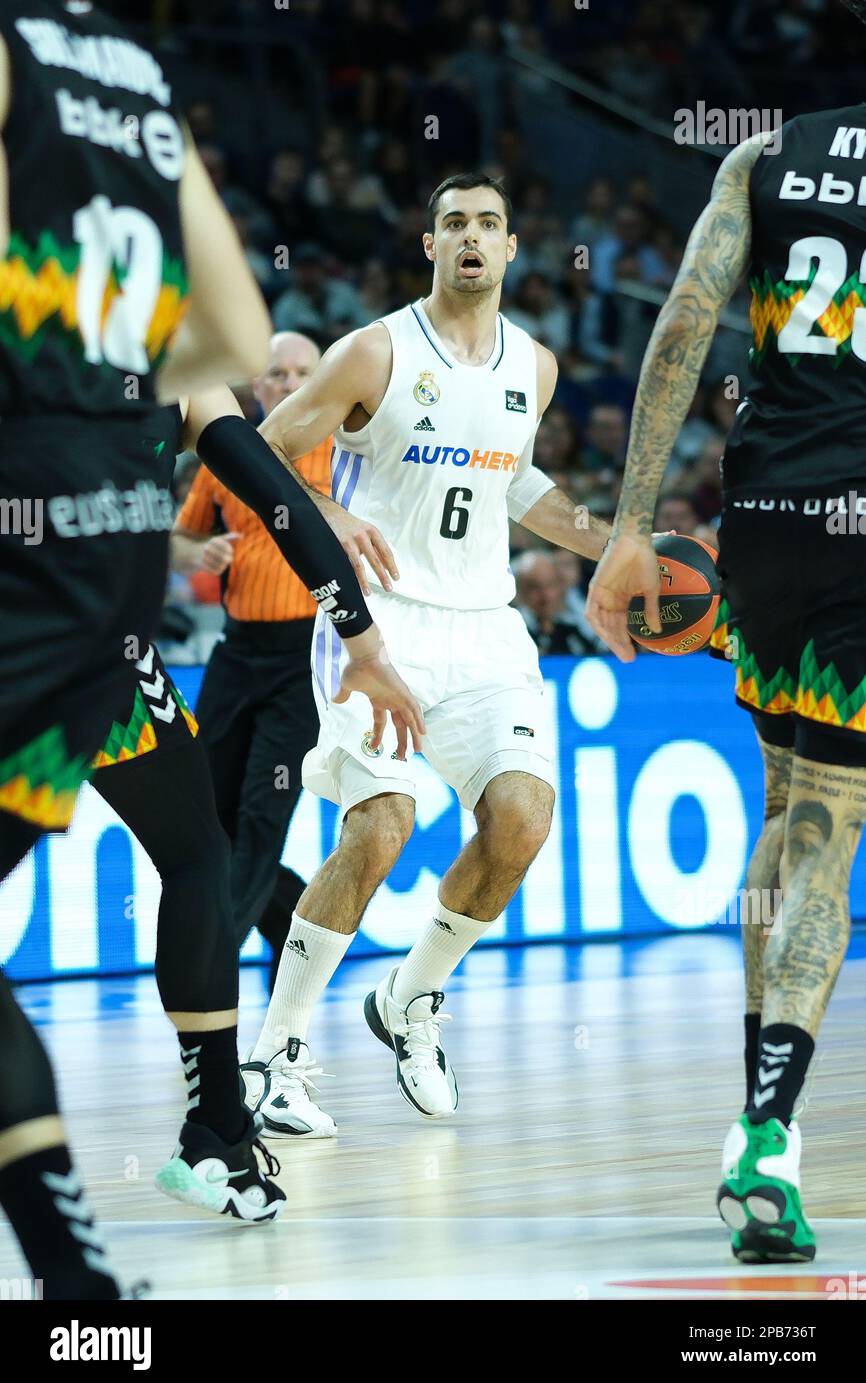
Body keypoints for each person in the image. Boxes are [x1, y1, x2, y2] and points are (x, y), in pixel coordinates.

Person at [240, 172, 612, 1138]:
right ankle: (272, 1053)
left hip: (486, 627)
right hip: (381, 626)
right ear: (432, 246)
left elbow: (516, 486)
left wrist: (613, 547)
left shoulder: (535, 364)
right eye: (454, 224)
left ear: (513, 246)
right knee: (383, 825)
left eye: (490, 222)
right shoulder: (375, 350)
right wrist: (331, 513)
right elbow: (266, 447)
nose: (472, 239)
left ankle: (410, 1000)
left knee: (522, 821)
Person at [0, 0, 271, 1300]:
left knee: (199, 847)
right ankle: (88, 1273)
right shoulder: (136, 86)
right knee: (202, 849)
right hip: (98, 573)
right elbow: (227, 334)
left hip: (21, 533)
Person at [586, 8, 866, 1263]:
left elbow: (681, 330)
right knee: (829, 827)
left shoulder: (762, 158)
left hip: (762, 521)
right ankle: (767, 1131)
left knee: (782, 803)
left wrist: (633, 525)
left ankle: (751, 1123)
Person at [88, 385, 425, 1198]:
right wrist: (363, 639)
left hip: (94, 646)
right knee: (200, 855)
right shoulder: (172, 356)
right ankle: (217, 1135)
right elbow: (276, 496)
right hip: (91, 646)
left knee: (210, 848)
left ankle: (221, 1132)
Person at [172, 333, 330, 993]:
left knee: (264, 816)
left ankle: (212, 970)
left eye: (302, 374)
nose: (288, 385)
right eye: (275, 375)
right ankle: (293, 922)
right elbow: (181, 537)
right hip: (237, 653)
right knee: (206, 818)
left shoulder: (345, 457)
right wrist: (196, 555)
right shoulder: (223, 457)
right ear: (254, 386)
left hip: (306, 659)